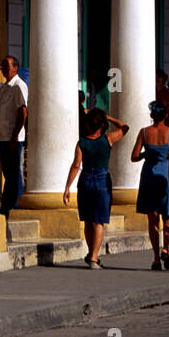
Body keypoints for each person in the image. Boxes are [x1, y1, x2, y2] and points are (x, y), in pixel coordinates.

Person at [63, 108, 129, 268]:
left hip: (85, 180)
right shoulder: (108, 139)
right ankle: (93, 257)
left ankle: (91, 252)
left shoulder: (82, 142)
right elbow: (125, 127)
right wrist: (109, 117)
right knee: (98, 221)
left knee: (87, 220)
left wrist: (67, 188)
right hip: (102, 181)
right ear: (102, 124)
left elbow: (76, 165)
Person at [130, 101, 169, 270]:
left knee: (153, 217)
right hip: (166, 175)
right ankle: (166, 248)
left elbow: (134, 156)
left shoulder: (144, 133)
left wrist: (146, 154)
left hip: (149, 175)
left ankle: (156, 257)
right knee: (168, 216)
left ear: (151, 116)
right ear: (165, 115)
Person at [0, 55, 28, 218]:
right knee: (8, 172)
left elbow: (23, 112)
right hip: (2, 136)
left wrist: (14, 136)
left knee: (13, 173)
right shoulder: (5, 87)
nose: (4, 68)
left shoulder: (18, 86)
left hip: (12, 138)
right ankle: (11, 203)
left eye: (7, 65)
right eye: (2, 65)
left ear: (15, 68)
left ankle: (11, 204)